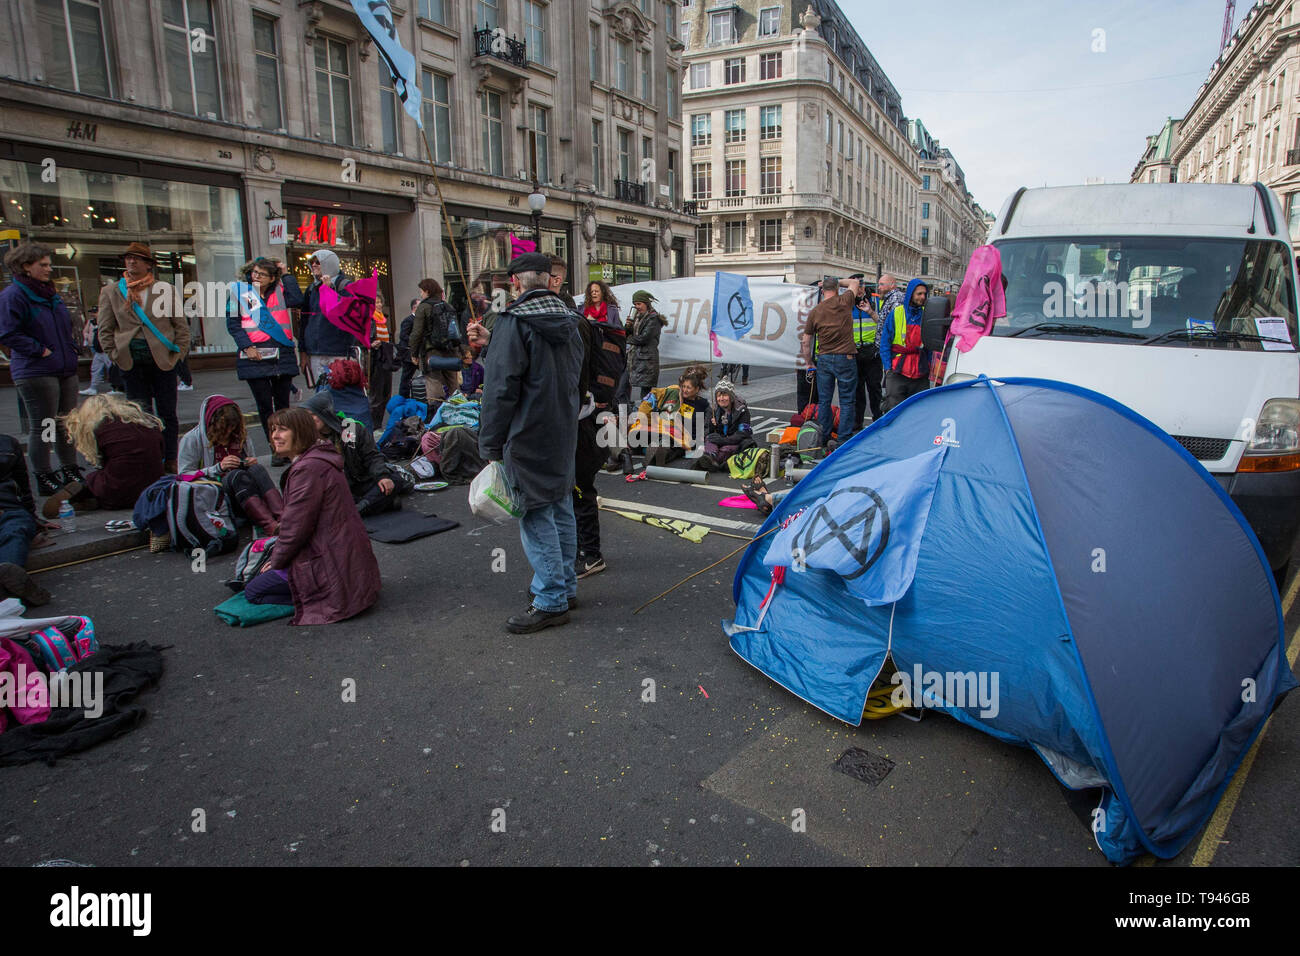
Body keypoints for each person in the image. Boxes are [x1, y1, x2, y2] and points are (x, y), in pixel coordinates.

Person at [479, 253, 584, 633]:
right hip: (562, 427)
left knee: (536, 512)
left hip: (526, 432)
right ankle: (565, 587)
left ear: (516, 282)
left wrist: (489, 444)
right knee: (559, 506)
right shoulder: (573, 321)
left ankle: (552, 598)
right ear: (548, 279)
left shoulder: (513, 321)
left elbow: (500, 388)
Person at [244, 408, 381, 625]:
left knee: (254, 589)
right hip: (344, 558)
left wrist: (276, 561)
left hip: (330, 562)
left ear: (301, 432)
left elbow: (294, 530)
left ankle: (316, 598)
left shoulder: (307, 469)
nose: (275, 436)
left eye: (282, 430)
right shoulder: (319, 457)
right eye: (272, 430)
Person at [96, 241, 189, 472]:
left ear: (149, 264)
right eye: (128, 258)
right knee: (140, 414)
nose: (131, 261)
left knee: (167, 412)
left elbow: (180, 326)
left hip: (163, 361)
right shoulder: (111, 291)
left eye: (137, 258)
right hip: (130, 361)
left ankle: (170, 458)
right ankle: (149, 458)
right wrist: (114, 354)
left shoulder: (164, 289)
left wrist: (178, 356)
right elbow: (105, 328)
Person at [0, 242, 84, 495]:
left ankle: (69, 468)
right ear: (26, 267)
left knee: (66, 423)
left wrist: (69, 349)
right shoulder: (13, 296)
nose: (49, 269)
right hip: (36, 370)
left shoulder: (50, 294)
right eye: (43, 265)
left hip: (64, 367)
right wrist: (40, 350)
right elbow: (7, 333)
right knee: (45, 424)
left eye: (49, 264)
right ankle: (44, 475)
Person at [227, 257, 303, 455]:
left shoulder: (280, 289)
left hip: (281, 354)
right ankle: (275, 448)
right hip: (254, 356)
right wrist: (246, 347)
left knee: (283, 406)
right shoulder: (241, 293)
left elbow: (297, 300)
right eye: (254, 272)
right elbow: (233, 324)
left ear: (271, 278)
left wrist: (286, 274)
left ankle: (288, 446)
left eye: (261, 274)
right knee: (264, 406)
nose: (256, 277)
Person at [178, 394, 283, 534]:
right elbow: (183, 476)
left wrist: (249, 461)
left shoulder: (239, 436)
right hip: (214, 495)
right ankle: (269, 525)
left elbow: (250, 463)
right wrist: (218, 468)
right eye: (223, 428)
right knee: (236, 475)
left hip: (245, 493)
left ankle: (284, 517)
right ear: (211, 423)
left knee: (257, 469)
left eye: (232, 427)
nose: (228, 432)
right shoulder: (192, 439)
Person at [55, 393, 164, 516]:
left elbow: (99, 460)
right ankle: (92, 496)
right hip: (153, 488)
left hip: (118, 491)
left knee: (94, 478)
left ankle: (88, 495)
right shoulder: (144, 422)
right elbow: (161, 451)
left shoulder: (100, 426)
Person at [301, 392, 400, 517]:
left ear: (325, 413)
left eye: (313, 415)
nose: (309, 420)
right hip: (336, 488)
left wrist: (382, 476)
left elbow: (372, 456)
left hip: (359, 481)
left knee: (394, 479)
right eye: (307, 416)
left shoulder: (350, 428)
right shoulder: (309, 438)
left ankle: (357, 509)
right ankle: (377, 505)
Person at [801, 276, 861, 453]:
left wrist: (809, 362)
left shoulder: (816, 311)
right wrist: (837, 281)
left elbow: (806, 342)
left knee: (825, 400)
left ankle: (824, 436)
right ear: (837, 289)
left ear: (822, 291)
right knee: (847, 400)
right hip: (846, 357)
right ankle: (843, 439)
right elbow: (854, 283)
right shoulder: (845, 301)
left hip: (825, 358)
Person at [0, 433, 51, 607]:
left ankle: (6, 579)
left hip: (9, 510)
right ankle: (7, 593)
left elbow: (23, 487)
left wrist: (34, 518)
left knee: (16, 530)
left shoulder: (7, 444)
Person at [633, 365, 711, 472]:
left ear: (697, 389)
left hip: (684, 438)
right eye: (683, 386)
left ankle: (655, 456)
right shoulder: (675, 395)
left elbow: (706, 426)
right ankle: (644, 451)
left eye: (688, 388)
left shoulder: (703, 405)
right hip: (665, 431)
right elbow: (653, 396)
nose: (684, 390)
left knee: (672, 447)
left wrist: (699, 442)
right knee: (637, 433)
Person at [299, 249, 355, 384]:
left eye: (318, 262)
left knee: (340, 391)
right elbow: (304, 321)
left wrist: (329, 291)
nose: (314, 265)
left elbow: (344, 315)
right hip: (316, 351)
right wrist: (303, 350)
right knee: (321, 392)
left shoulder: (346, 286)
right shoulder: (311, 289)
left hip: (339, 350)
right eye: (311, 263)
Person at [880, 279, 933, 413]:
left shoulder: (927, 315)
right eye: (919, 294)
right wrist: (887, 368)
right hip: (898, 371)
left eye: (924, 294)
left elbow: (930, 346)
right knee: (894, 412)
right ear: (911, 294)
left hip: (920, 372)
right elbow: (885, 342)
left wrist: (930, 366)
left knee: (919, 412)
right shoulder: (896, 313)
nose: (923, 297)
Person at [411, 278, 465, 403]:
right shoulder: (448, 306)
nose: (421, 294)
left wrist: (414, 353)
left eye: (422, 291)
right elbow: (455, 331)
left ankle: (436, 411)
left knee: (433, 381)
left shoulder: (424, 307)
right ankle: (458, 410)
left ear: (427, 291)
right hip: (451, 350)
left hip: (432, 351)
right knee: (453, 382)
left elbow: (417, 333)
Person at [696, 379, 754, 472]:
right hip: (719, 438)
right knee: (710, 439)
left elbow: (743, 433)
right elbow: (706, 431)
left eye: (724, 395)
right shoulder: (713, 409)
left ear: (731, 397)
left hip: (734, 441)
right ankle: (710, 457)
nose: (721, 398)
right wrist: (711, 425)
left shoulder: (742, 410)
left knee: (726, 449)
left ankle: (711, 462)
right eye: (719, 396)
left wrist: (724, 440)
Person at [852, 286, 884, 429]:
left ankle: (878, 419)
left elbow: (883, 324)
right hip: (855, 353)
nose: (858, 290)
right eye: (855, 287)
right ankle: (857, 422)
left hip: (872, 353)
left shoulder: (876, 301)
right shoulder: (848, 304)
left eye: (860, 286)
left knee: (874, 389)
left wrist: (870, 312)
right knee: (857, 390)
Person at [625, 289, 666, 400]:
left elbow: (643, 338)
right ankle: (626, 412)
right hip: (634, 358)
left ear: (646, 303)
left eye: (639, 303)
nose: (637, 306)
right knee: (623, 387)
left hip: (647, 361)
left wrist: (628, 339)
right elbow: (628, 334)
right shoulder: (637, 317)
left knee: (646, 393)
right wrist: (628, 326)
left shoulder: (653, 318)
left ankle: (646, 415)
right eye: (635, 304)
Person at [367, 291, 396, 430]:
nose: (378, 305)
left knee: (386, 394)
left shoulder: (383, 319)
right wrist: (371, 344)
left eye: (380, 302)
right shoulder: (368, 320)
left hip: (385, 358)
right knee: (376, 396)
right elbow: (361, 339)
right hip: (375, 360)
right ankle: (374, 425)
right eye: (375, 302)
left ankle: (378, 424)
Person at [80, 307, 113, 396]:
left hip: (105, 350)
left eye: (95, 312)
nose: (93, 314)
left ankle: (116, 387)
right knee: (95, 369)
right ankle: (93, 388)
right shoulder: (92, 322)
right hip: (98, 350)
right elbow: (85, 331)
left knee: (111, 368)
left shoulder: (105, 320)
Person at [396, 297, 419, 400]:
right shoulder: (408, 320)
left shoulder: (419, 320)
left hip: (416, 353)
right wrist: (414, 340)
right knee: (406, 376)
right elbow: (403, 336)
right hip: (408, 354)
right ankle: (403, 398)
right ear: (415, 308)